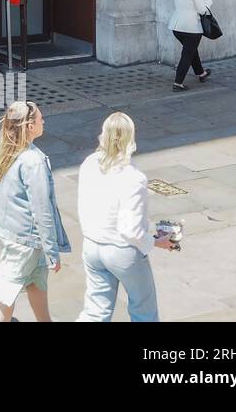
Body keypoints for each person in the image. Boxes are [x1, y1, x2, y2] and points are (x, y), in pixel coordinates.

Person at [76, 112, 176, 322]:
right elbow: (130, 229)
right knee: (143, 310)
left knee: (95, 311)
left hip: (92, 245)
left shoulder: (89, 163)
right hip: (122, 251)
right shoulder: (133, 177)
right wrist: (156, 242)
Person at [0, 100, 70, 322]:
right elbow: (42, 211)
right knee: (6, 293)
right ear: (30, 126)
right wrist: (52, 253)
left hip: (5, 230)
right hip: (25, 240)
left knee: (36, 280)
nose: (44, 122)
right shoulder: (33, 161)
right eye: (41, 119)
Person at [168, 0, 212, 92]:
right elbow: (202, 10)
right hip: (192, 28)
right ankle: (178, 83)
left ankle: (201, 73)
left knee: (191, 50)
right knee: (187, 54)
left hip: (176, 27)